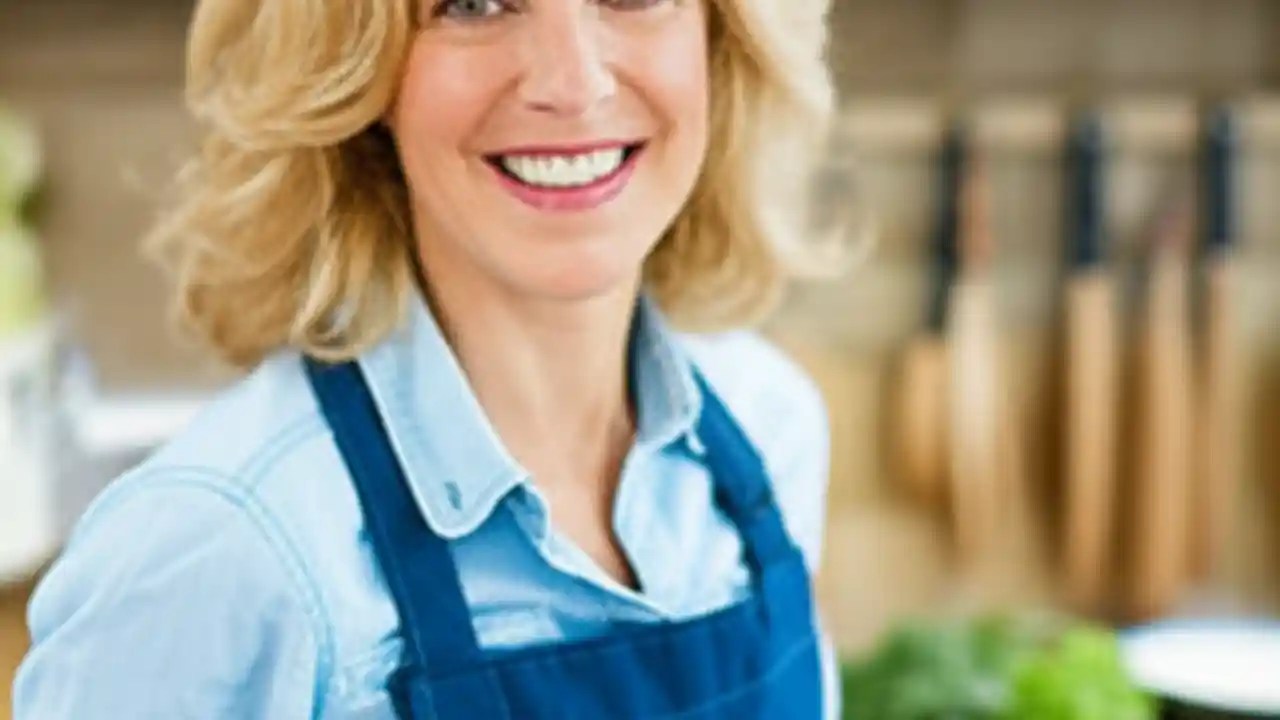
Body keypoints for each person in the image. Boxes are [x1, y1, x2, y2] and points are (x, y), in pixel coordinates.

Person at [13, 0, 838, 716]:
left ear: (720, 42)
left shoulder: (771, 429)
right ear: (360, 77)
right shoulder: (219, 552)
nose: (573, 81)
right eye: (473, 3)